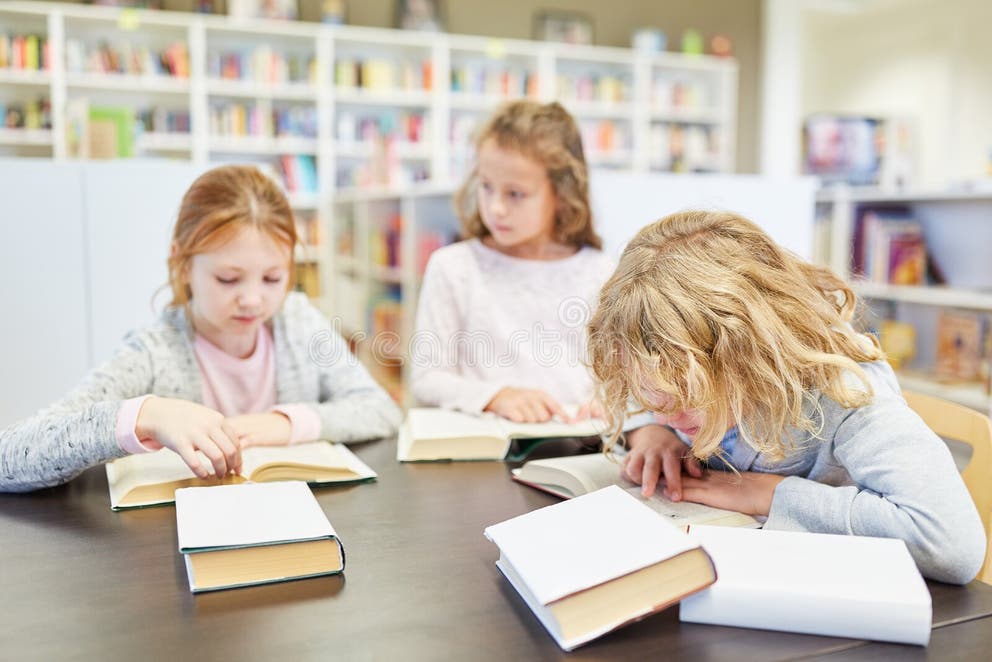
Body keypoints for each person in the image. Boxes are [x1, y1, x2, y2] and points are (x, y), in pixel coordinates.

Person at [587, 209, 986, 584]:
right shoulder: (681, 379)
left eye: (683, 396)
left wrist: (771, 495)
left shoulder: (846, 396)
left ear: (751, 353)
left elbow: (951, 544)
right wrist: (651, 432)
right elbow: (650, 392)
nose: (668, 413)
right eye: (654, 399)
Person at [0, 165, 401, 492]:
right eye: (228, 279)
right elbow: (10, 458)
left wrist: (283, 423)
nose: (253, 300)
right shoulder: (155, 350)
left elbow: (381, 410)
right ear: (183, 264)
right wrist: (145, 415)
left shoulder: (297, 320)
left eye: (273, 278)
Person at [411, 100, 616, 424]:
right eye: (487, 187)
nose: (496, 208)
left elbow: (624, 379)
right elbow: (426, 379)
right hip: (484, 453)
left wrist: (608, 400)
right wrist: (497, 397)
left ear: (562, 194)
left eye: (515, 194)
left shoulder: (602, 272)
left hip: (581, 447)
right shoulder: (453, 267)